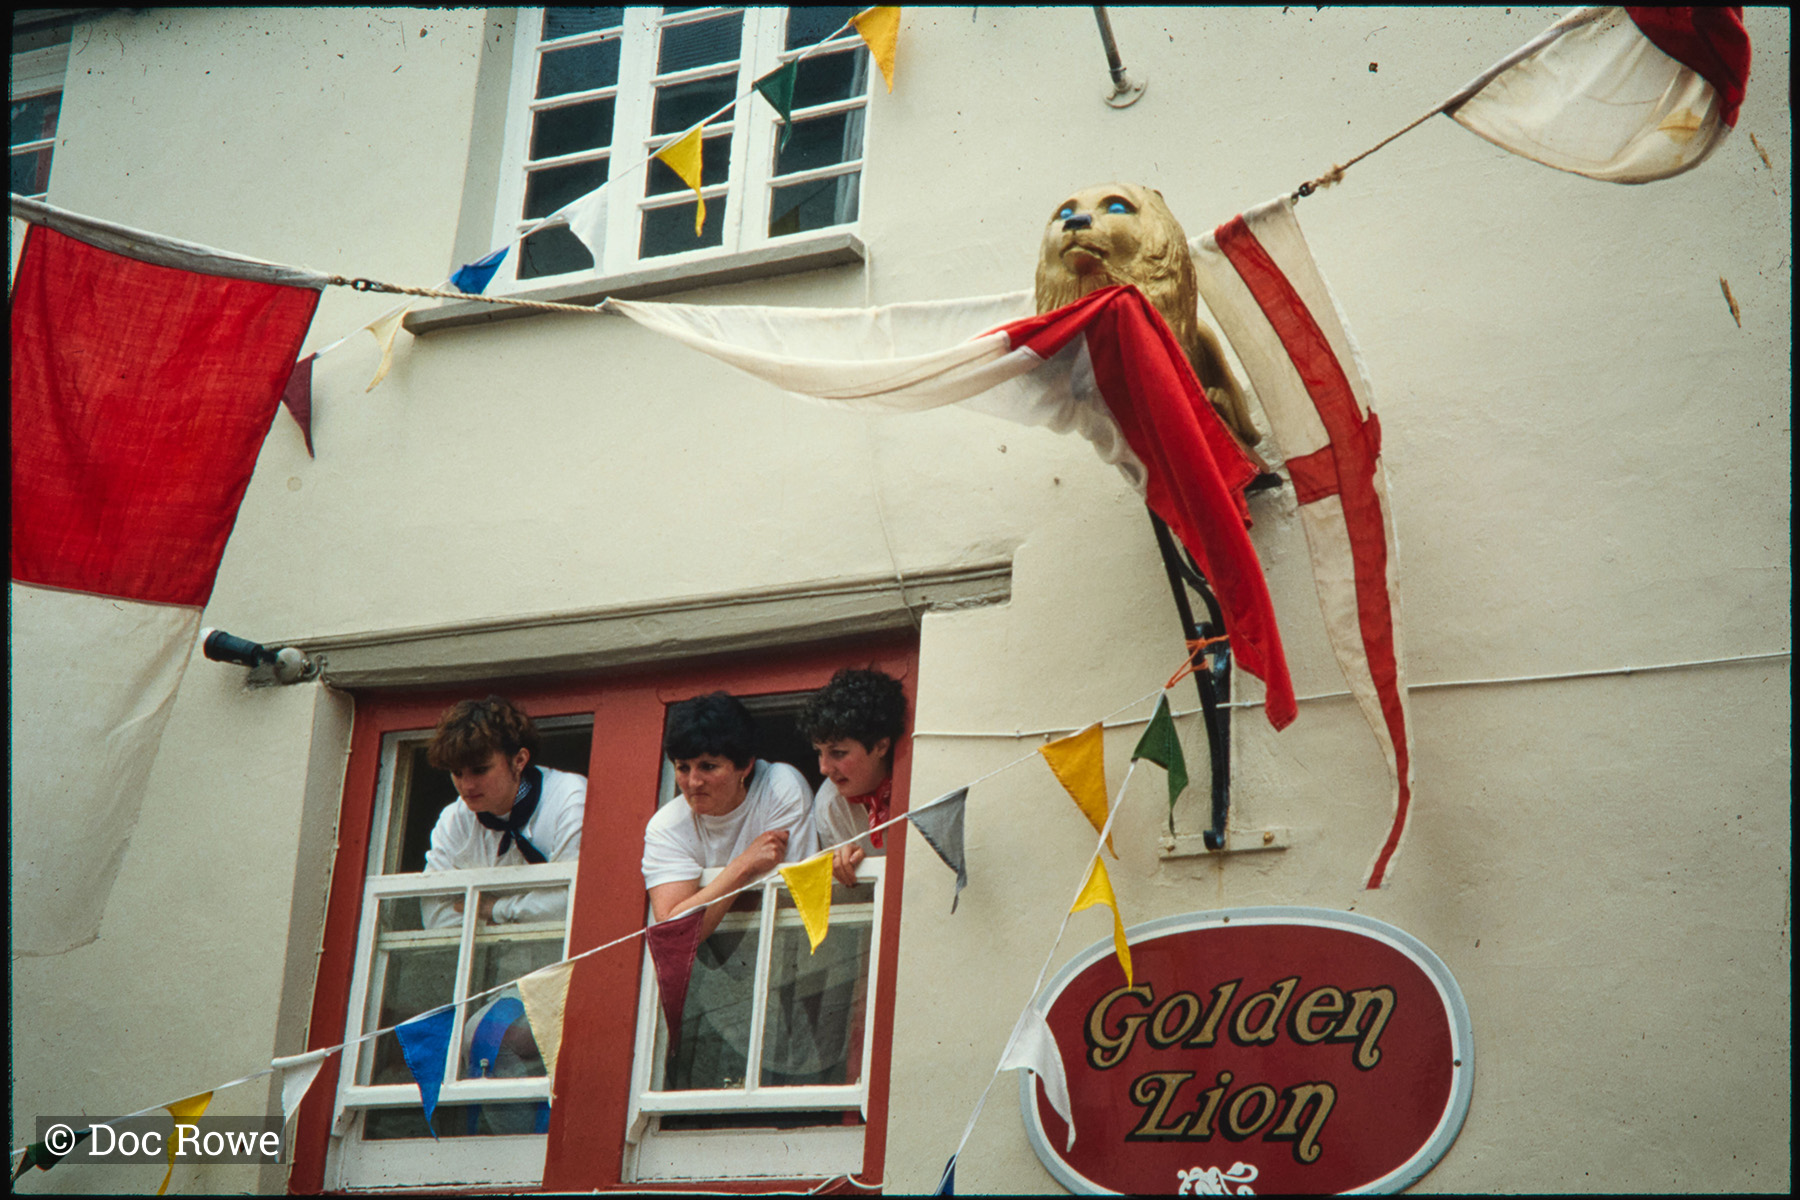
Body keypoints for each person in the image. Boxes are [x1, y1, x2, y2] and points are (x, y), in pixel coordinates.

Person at [641, 691, 814, 940]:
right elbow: (674, 935)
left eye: (708, 766)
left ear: (745, 765)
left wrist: (699, 900)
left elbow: (792, 901)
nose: (693, 782)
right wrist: (743, 867)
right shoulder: (667, 825)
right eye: (683, 768)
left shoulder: (779, 788)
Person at [420, 695, 585, 930]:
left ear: (519, 760)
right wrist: (525, 912)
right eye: (457, 772)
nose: (466, 786)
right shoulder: (454, 820)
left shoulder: (568, 798)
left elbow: (572, 902)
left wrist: (494, 909)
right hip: (486, 964)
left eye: (480, 770)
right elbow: (436, 917)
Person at [799, 668, 908, 887]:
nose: (823, 768)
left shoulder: (913, 788)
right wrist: (846, 869)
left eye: (838, 753)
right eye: (819, 752)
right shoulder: (829, 803)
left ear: (881, 746)